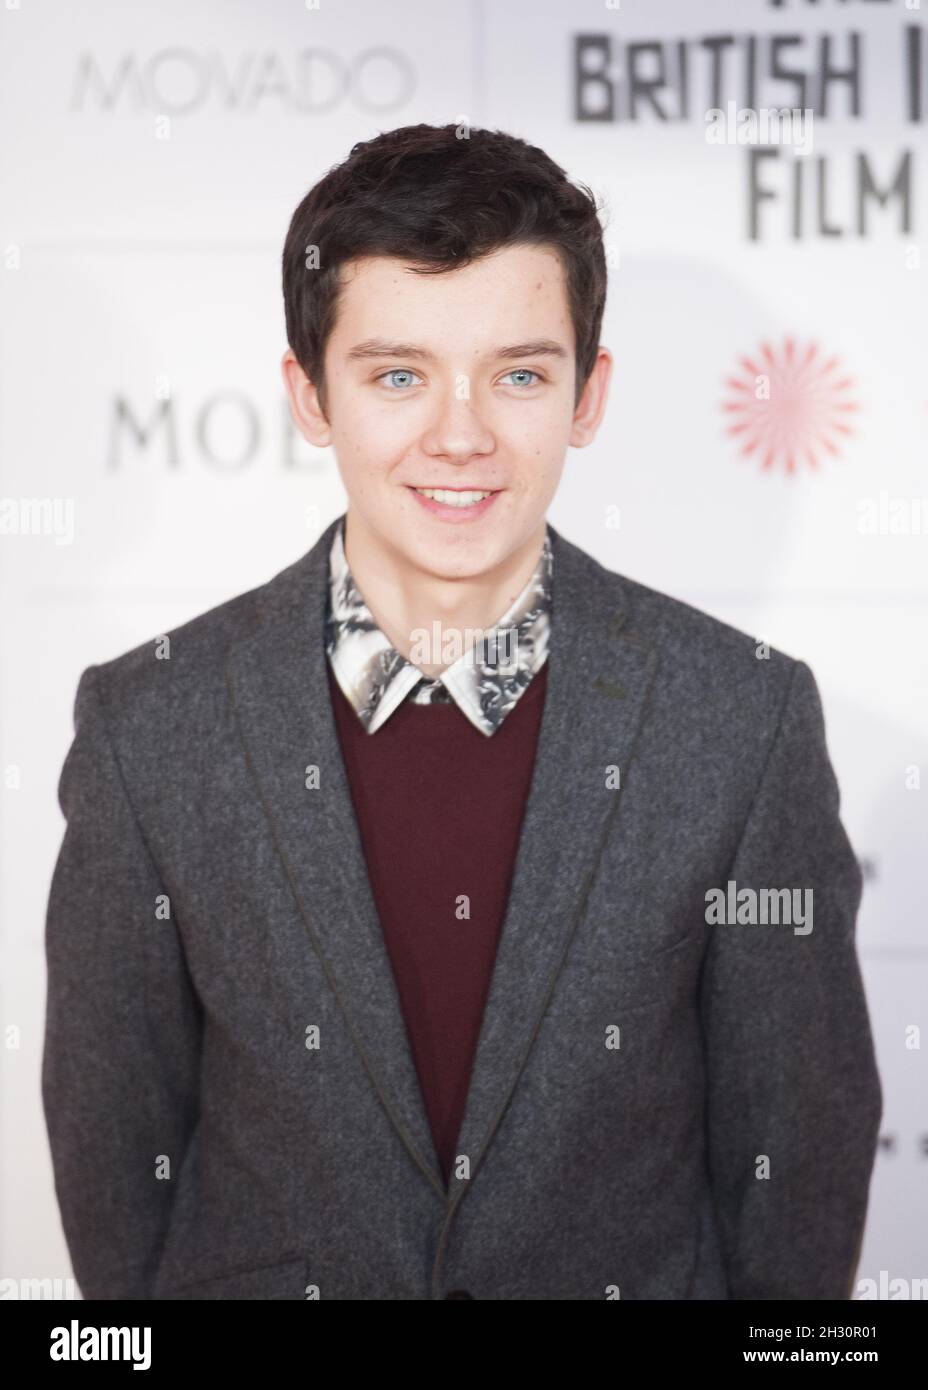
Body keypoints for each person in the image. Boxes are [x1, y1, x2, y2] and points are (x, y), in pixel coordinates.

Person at [42, 123, 882, 1301]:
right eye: (398, 375)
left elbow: (796, 1168)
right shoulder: (150, 727)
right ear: (309, 394)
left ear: (588, 393)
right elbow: (117, 1168)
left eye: (519, 375)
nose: (460, 434)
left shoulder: (743, 719)